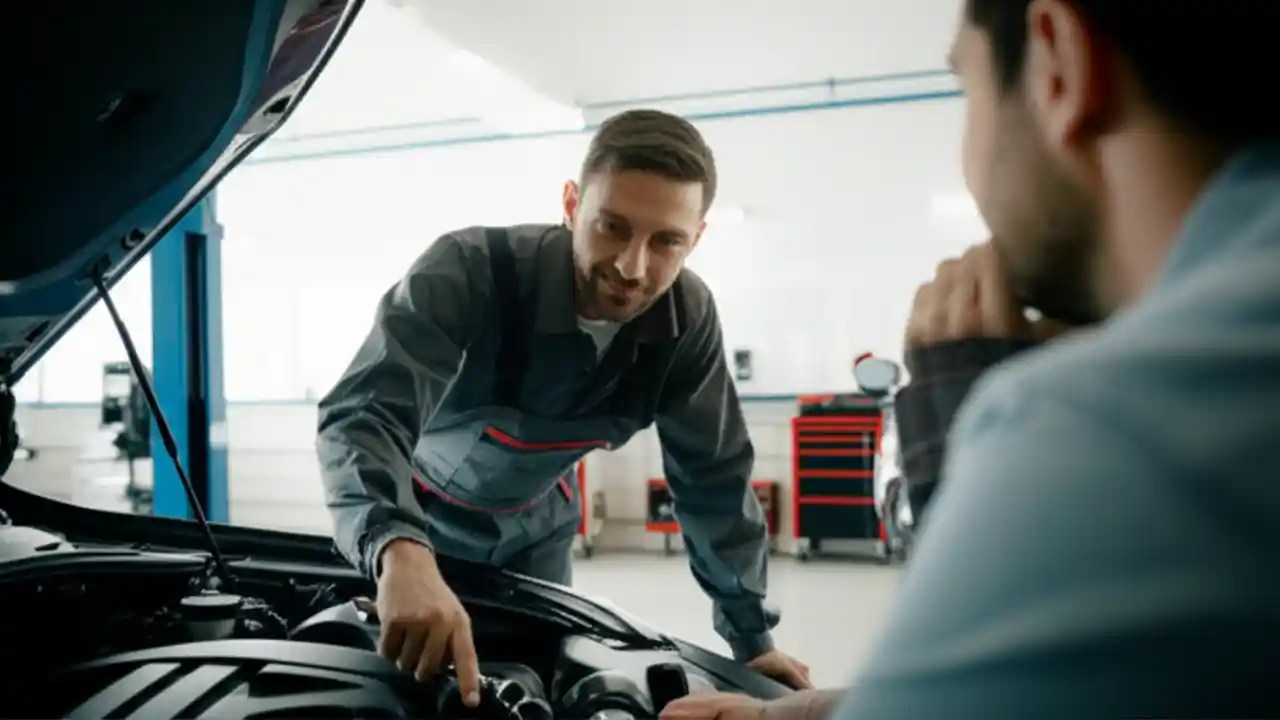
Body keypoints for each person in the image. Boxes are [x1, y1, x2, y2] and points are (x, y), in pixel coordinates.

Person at [661, 0, 1280, 717]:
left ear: (1058, 65)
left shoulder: (1118, 424)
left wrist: (959, 453)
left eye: (967, 90)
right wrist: (782, 714)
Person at [316, 108, 811, 706]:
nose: (633, 267)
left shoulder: (687, 321)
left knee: (536, 691)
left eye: (666, 242)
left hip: (537, 535)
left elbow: (713, 478)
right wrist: (397, 549)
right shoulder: (470, 272)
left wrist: (751, 639)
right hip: (418, 522)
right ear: (573, 204)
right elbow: (363, 415)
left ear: (697, 238)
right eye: (612, 227)